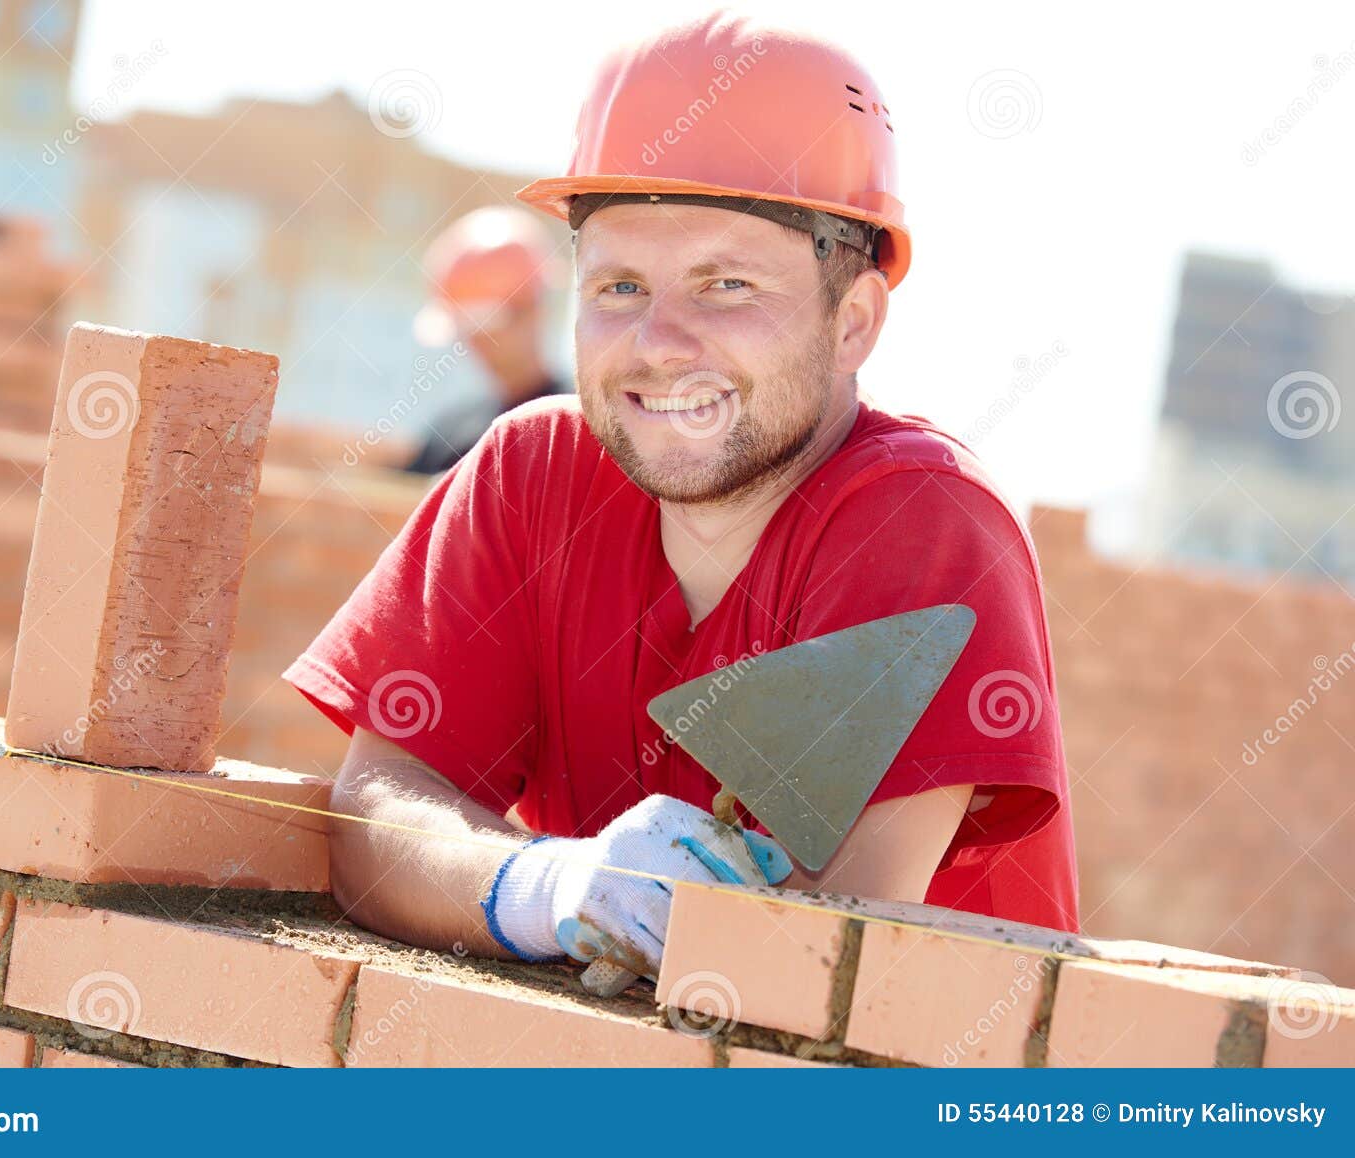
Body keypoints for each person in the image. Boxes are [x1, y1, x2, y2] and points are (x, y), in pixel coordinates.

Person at [285, 12, 1079, 981]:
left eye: (726, 285)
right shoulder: (529, 477)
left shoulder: (921, 526)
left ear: (855, 321)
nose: (658, 342)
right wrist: (544, 887)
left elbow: (807, 963)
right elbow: (374, 808)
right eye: (618, 286)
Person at [402, 207, 567, 475]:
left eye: (486, 323)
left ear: (534, 311)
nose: (476, 342)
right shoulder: (450, 433)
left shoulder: (580, 429)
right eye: (466, 327)